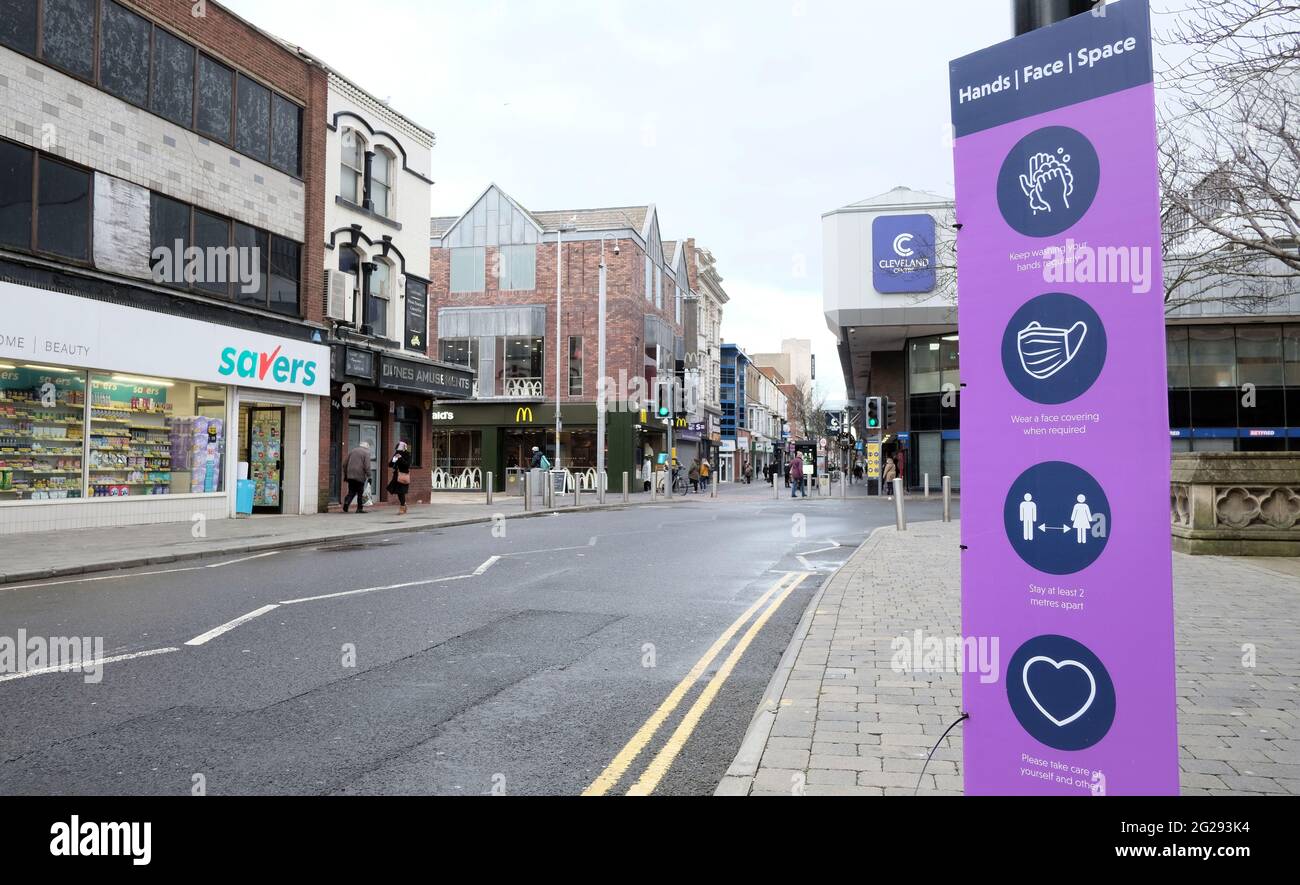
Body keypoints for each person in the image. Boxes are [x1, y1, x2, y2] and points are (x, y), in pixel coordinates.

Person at [342, 440, 372, 514]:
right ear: (367, 447)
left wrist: (346, 474)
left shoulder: (352, 451)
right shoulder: (366, 453)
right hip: (360, 474)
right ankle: (359, 508)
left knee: (351, 490)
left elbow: (344, 463)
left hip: (350, 474)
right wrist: (369, 476)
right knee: (360, 491)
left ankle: (347, 501)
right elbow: (367, 466)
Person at [387, 441, 412, 515]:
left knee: (401, 492)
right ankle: (403, 504)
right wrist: (394, 459)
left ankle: (402, 507)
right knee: (398, 492)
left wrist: (400, 458)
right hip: (396, 475)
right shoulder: (396, 454)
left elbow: (407, 465)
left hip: (403, 475)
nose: (398, 451)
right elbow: (390, 465)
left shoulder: (407, 454)